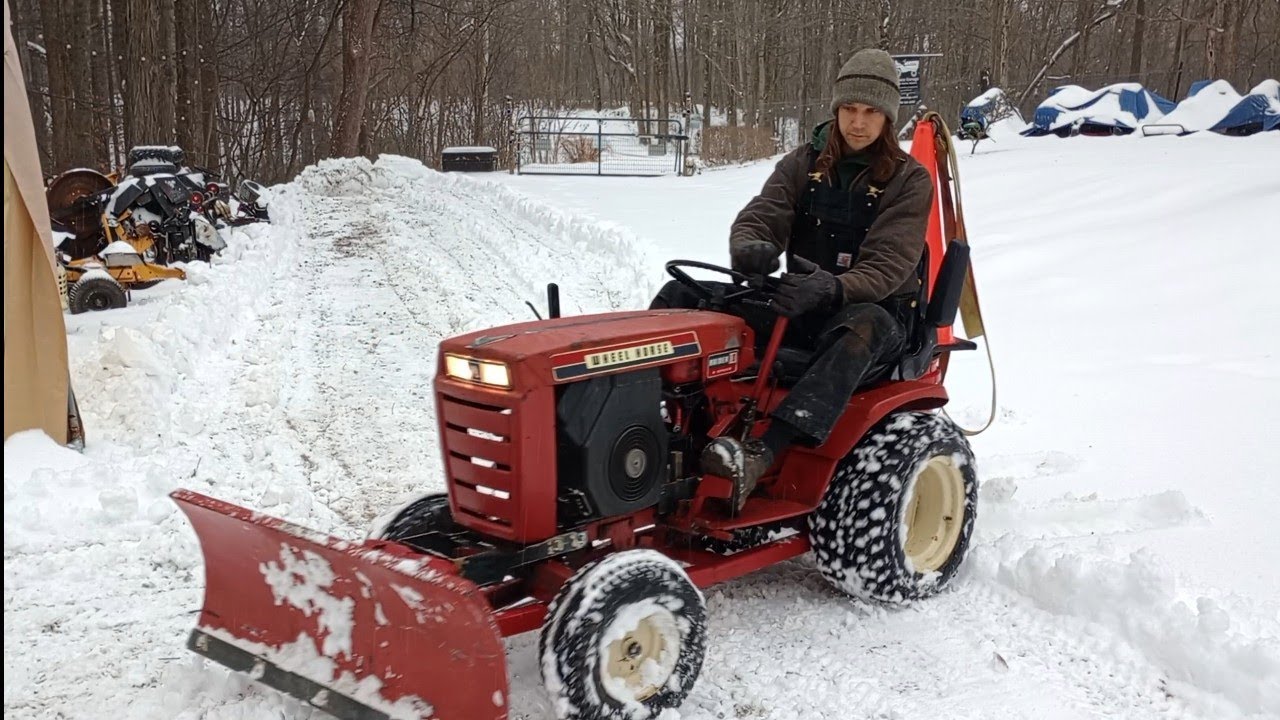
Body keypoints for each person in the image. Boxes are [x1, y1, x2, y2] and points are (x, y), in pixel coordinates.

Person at [651, 48, 935, 509]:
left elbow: (887, 263)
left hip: (876, 315)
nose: (857, 123)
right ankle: (656, 418)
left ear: (887, 118)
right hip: (800, 300)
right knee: (684, 294)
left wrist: (835, 288)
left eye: (869, 112)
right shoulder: (804, 163)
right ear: (836, 109)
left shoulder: (909, 180)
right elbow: (764, 214)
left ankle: (763, 451)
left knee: (860, 326)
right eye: (848, 109)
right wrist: (750, 246)